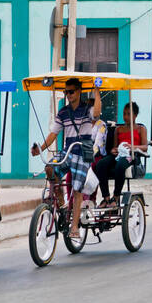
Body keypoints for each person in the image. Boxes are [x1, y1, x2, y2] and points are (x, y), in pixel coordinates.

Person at [31, 77, 102, 239]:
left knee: (77, 189)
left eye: (71, 91)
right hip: (67, 152)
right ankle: (60, 201)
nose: (68, 94)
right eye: (66, 92)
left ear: (79, 92)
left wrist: (96, 90)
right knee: (49, 168)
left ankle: (75, 227)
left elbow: (97, 113)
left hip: (83, 153)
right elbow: (53, 134)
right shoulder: (63, 112)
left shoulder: (87, 108)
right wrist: (40, 149)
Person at [94, 101, 148, 206]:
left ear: (135, 115)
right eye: (124, 114)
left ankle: (116, 196)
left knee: (120, 165)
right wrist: (114, 150)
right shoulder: (118, 129)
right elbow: (115, 146)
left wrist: (133, 147)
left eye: (129, 114)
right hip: (118, 155)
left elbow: (145, 147)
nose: (125, 116)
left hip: (132, 156)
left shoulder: (141, 129)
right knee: (100, 164)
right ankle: (106, 197)